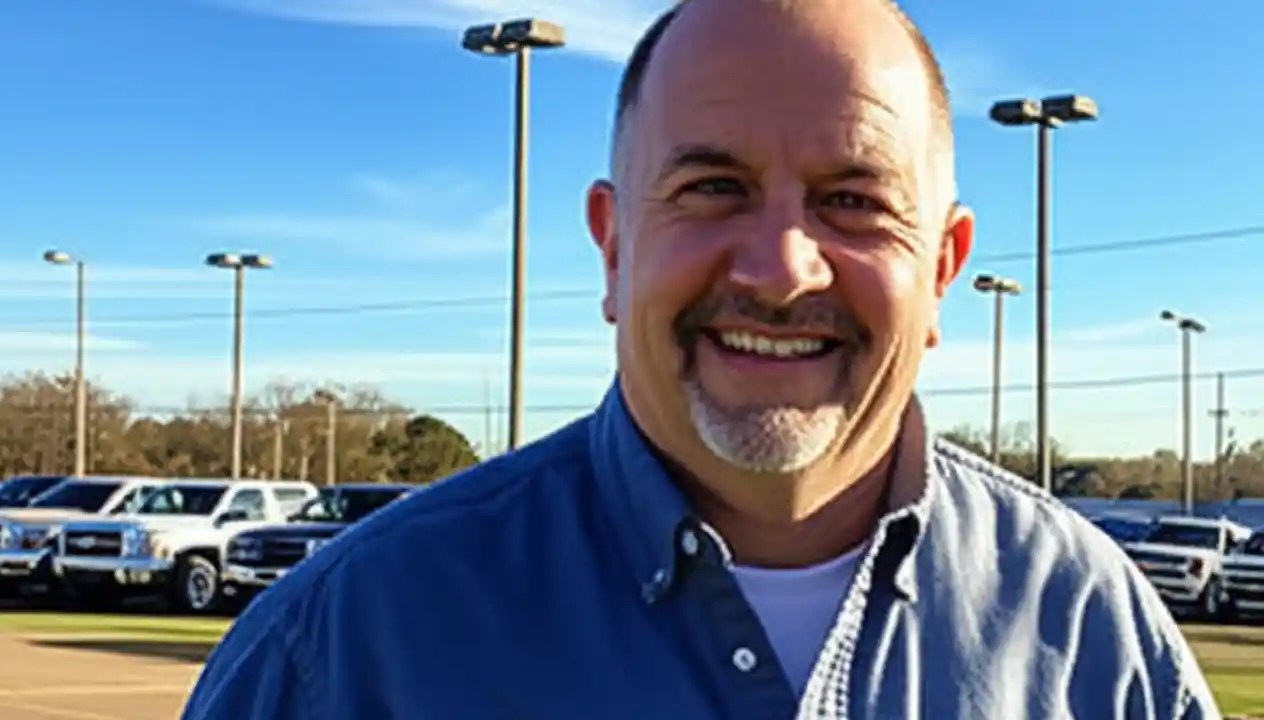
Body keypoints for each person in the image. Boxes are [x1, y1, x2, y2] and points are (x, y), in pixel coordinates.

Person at [182, 0, 1219, 717]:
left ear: (942, 267)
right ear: (612, 244)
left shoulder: (1091, 634)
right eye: (711, 188)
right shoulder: (350, 645)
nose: (778, 270)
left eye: (851, 201)